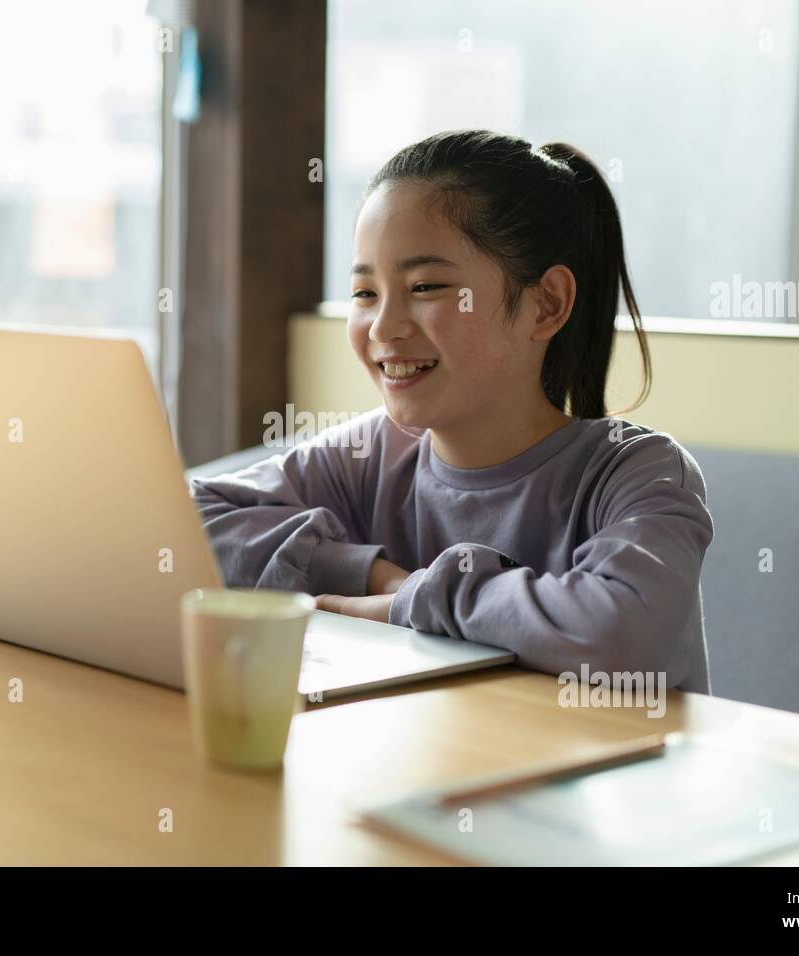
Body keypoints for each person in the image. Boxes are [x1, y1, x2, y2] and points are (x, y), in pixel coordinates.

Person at [190, 130, 715, 692]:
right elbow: (186, 521)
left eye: (426, 286)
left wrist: (414, 598)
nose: (384, 327)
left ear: (547, 304)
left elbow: (621, 634)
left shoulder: (635, 471)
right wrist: (362, 571)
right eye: (365, 293)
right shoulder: (373, 454)